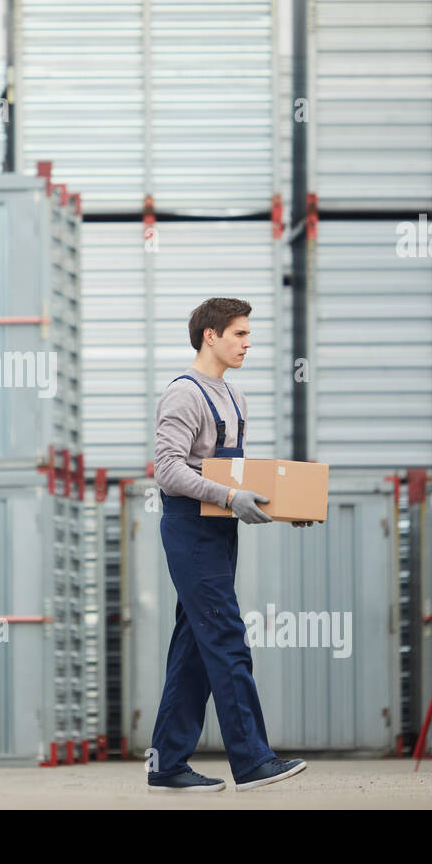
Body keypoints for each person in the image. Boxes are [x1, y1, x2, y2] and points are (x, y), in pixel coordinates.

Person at [147, 297, 311, 792]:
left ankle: (167, 764)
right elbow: (168, 469)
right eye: (239, 334)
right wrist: (229, 495)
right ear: (210, 336)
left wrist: (288, 504)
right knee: (226, 639)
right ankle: (253, 760)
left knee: (195, 646)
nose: (248, 343)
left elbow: (235, 473)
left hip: (219, 528)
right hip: (189, 529)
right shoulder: (184, 394)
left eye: (248, 334)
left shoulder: (235, 397)